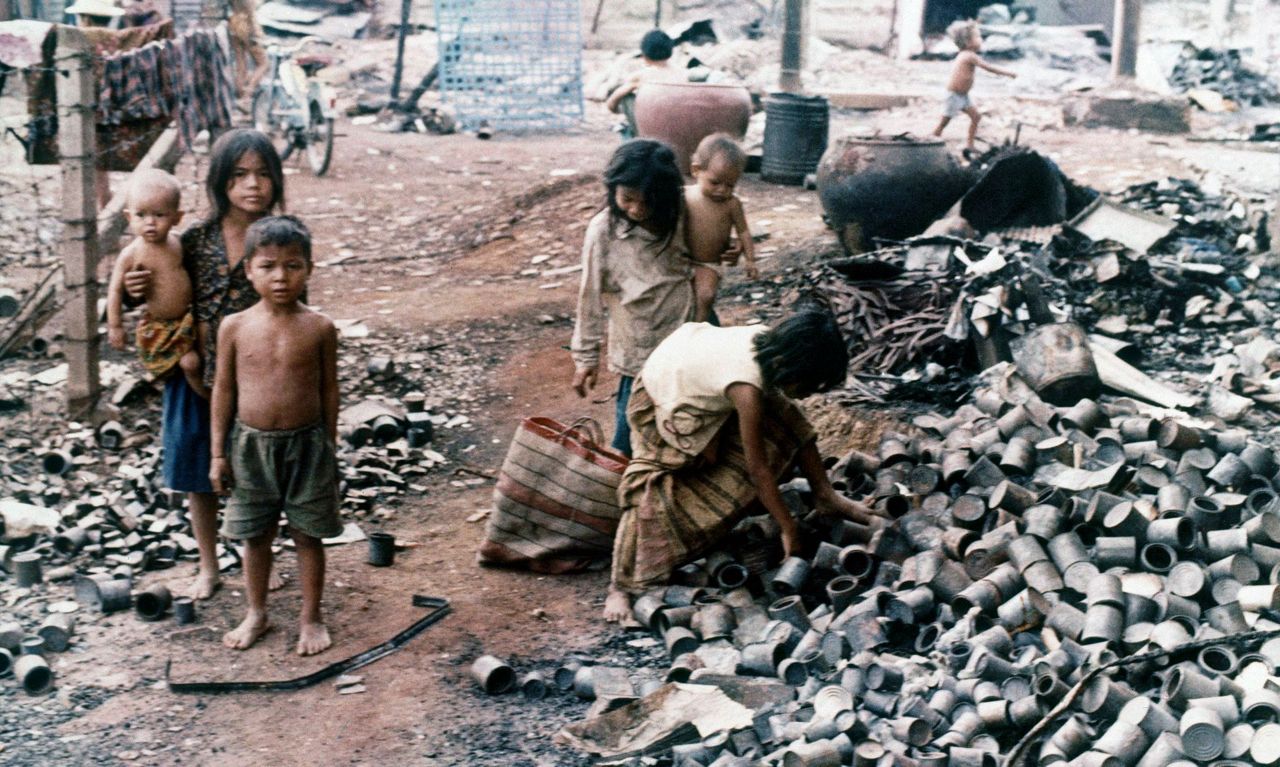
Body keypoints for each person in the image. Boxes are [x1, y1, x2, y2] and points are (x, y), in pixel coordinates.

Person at [603, 309, 878, 622]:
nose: (809, 396)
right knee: (656, 493)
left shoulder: (765, 344)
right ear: (796, 370)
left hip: (682, 367)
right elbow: (758, 472)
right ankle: (620, 585)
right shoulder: (746, 390)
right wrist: (788, 528)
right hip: (659, 398)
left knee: (786, 417)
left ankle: (825, 495)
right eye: (811, 387)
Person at [124, 129, 286, 601]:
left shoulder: (280, 240)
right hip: (194, 375)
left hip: (256, 376)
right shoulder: (192, 238)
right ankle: (210, 564)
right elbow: (155, 287)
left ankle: (260, 554)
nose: (252, 185)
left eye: (262, 174)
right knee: (199, 474)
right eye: (239, 175)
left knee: (257, 473)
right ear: (219, 182)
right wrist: (136, 289)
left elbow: (296, 305)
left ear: (276, 180)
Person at [210, 216, 340, 656]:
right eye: (268, 266)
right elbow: (223, 390)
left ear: (309, 268)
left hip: (308, 445)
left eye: (293, 265)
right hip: (250, 448)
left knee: (308, 535)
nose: (281, 277)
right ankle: (257, 612)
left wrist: (330, 445)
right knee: (256, 535)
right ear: (248, 269)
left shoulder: (320, 327)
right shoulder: (234, 326)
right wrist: (217, 454)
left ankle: (311, 617)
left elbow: (329, 389)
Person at [571, 139, 694, 458]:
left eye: (648, 203)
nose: (637, 210)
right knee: (629, 431)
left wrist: (728, 248)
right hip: (638, 349)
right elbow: (590, 296)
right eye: (627, 199)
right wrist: (586, 357)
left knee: (690, 421)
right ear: (612, 189)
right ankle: (618, 491)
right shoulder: (603, 232)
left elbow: (706, 253)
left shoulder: (681, 214)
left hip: (686, 340)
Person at [105, 169, 205, 396]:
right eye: (141, 215)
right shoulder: (132, 253)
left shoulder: (179, 243)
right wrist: (115, 326)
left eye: (159, 215)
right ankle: (209, 402)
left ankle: (213, 404)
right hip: (160, 325)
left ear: (176, 218)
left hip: (189, 321)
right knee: (187, 365)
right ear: (129, 217)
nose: (150, 223)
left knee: (193, 362)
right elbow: (115, 290)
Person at [684, 133, 757, 325]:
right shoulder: (684, 197)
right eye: (715, 182)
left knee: (706, 296)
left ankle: (697, 332)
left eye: (730, 185)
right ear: (696, 170)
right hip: (681, 260)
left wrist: (750, 260)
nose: (722, 190)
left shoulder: (732, 204)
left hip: (709, 263)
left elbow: (744, 232)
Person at [932, 19, 1017, 152]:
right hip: (954, 95)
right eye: (977, 36)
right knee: (945, 121)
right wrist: (1008, 73)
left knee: (976, 117)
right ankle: (932, 140)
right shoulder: (968, 56)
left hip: (963, 95)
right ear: (967, 42)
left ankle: (970, 145)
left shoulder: (968, 55)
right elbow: (989, 67)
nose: (981, 39)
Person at [605, 29, 685, 139]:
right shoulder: (682, 73)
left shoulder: (640, 76)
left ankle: (635, 135)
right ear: (670, 52)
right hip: (677, 124)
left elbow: (611, 103)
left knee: (626, 96)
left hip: (650, 127)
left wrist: (619, 111)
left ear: (644, 54)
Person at [228, 0, 269, 100]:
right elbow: (250, 12)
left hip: (234, 22)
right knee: (264, 64)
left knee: (241, 64)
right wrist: (258, 34)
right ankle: (248, 93)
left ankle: (240, 96)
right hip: (246, 24)